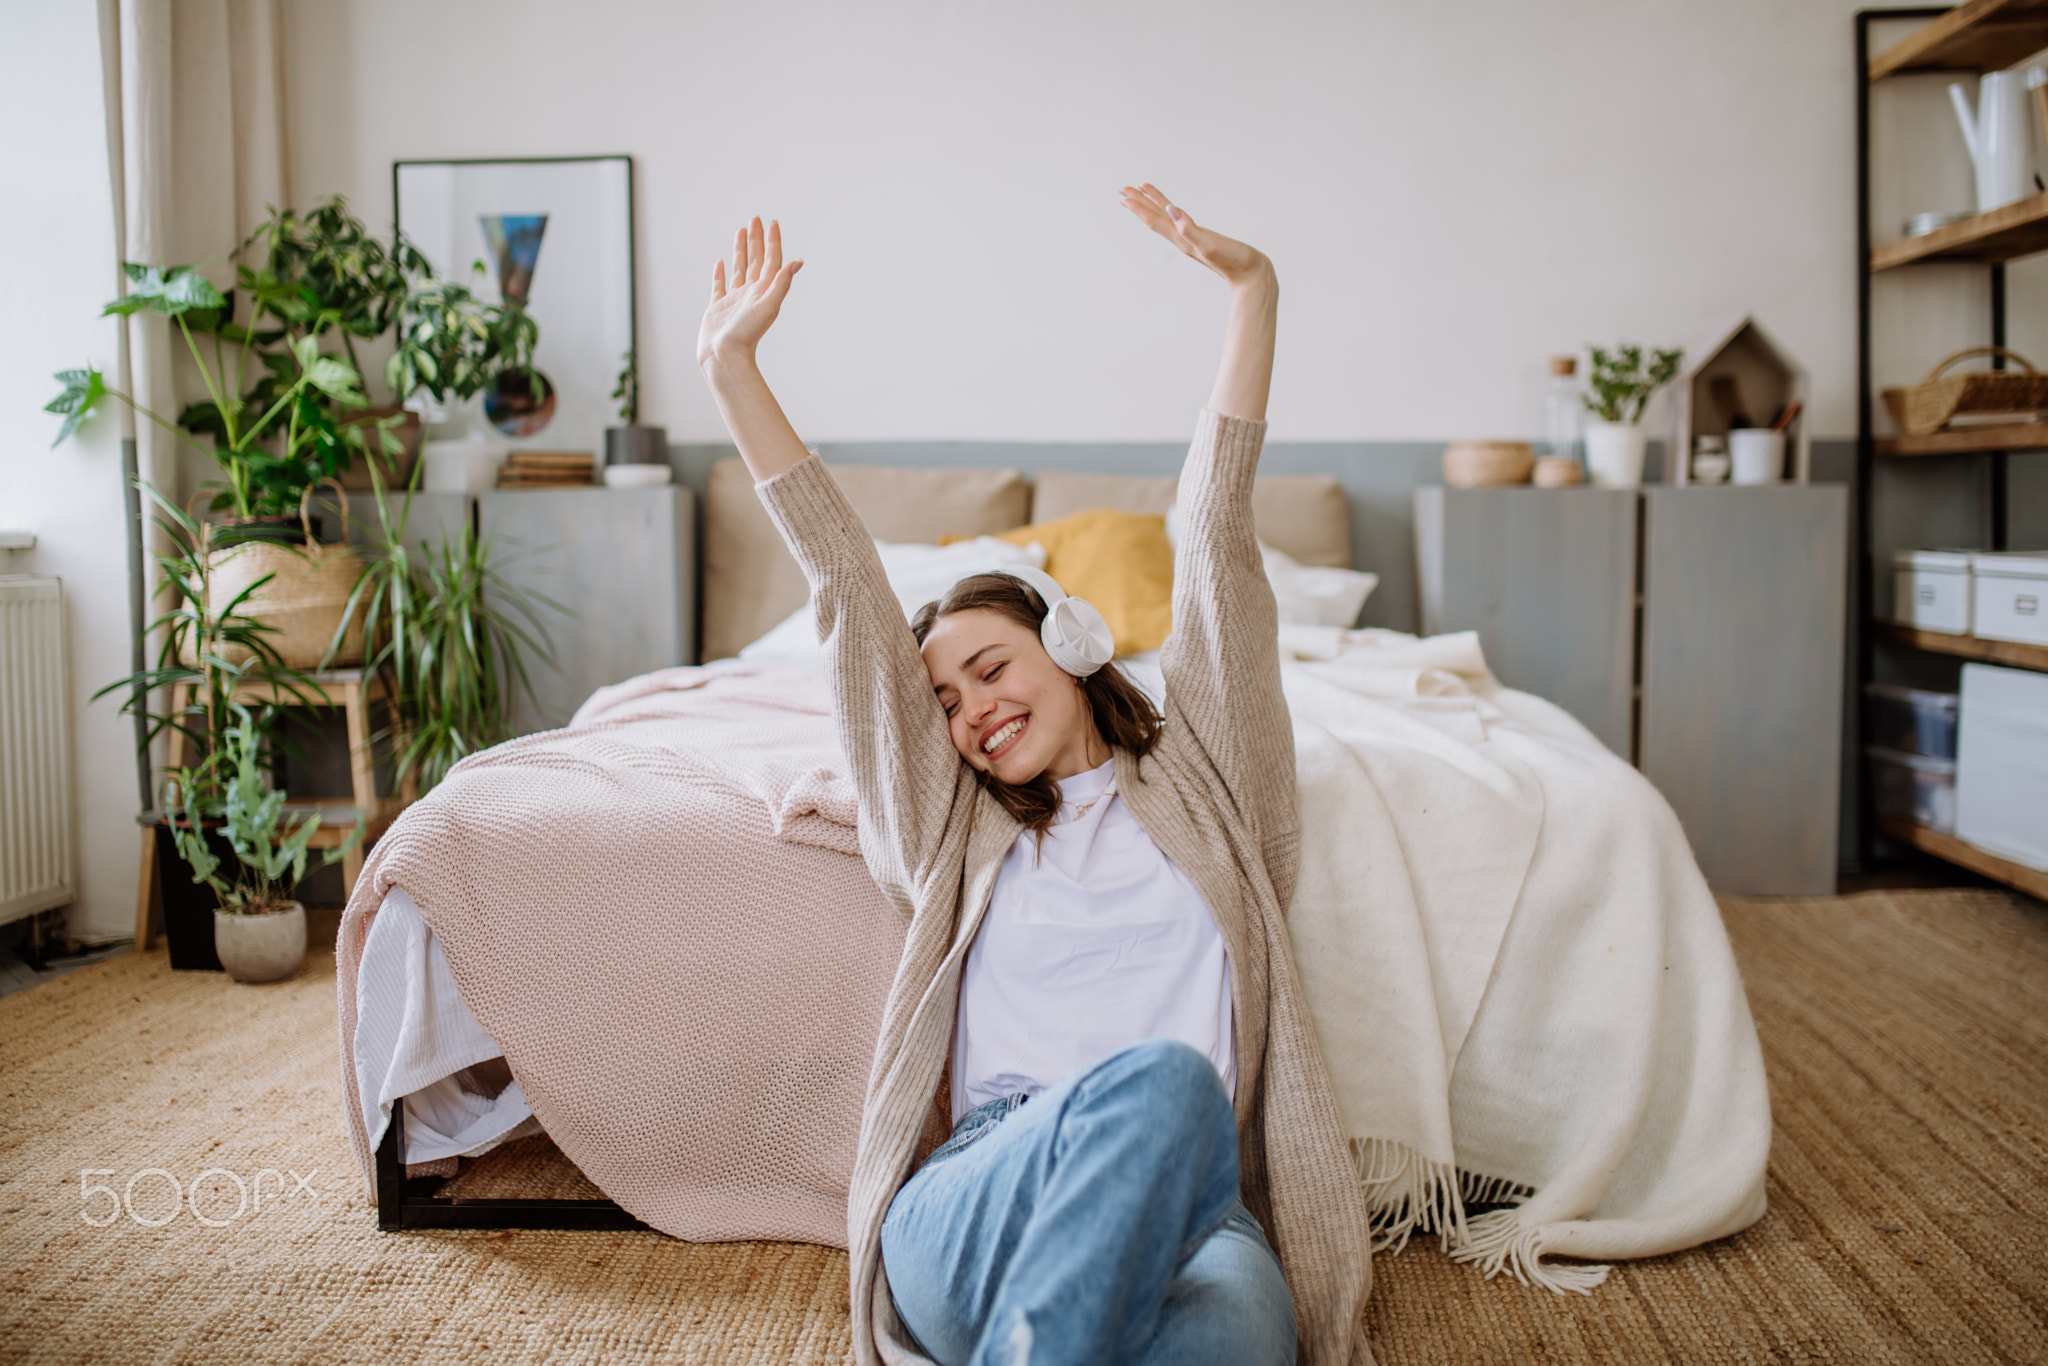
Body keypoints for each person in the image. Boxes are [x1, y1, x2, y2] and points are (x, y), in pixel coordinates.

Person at [696, 185, 1372, 1366]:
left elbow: (1213, 543)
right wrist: (732, 376)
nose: (971, 711)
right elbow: (850, 597)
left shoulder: (1216, 792)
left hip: (1192, 1217)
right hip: (982, 1191)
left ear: (1069, 643)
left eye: (988, 666)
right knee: (1162, 1083)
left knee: (1243, 1336)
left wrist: (1252, 295)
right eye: (945, 702)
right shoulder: (951, 828)